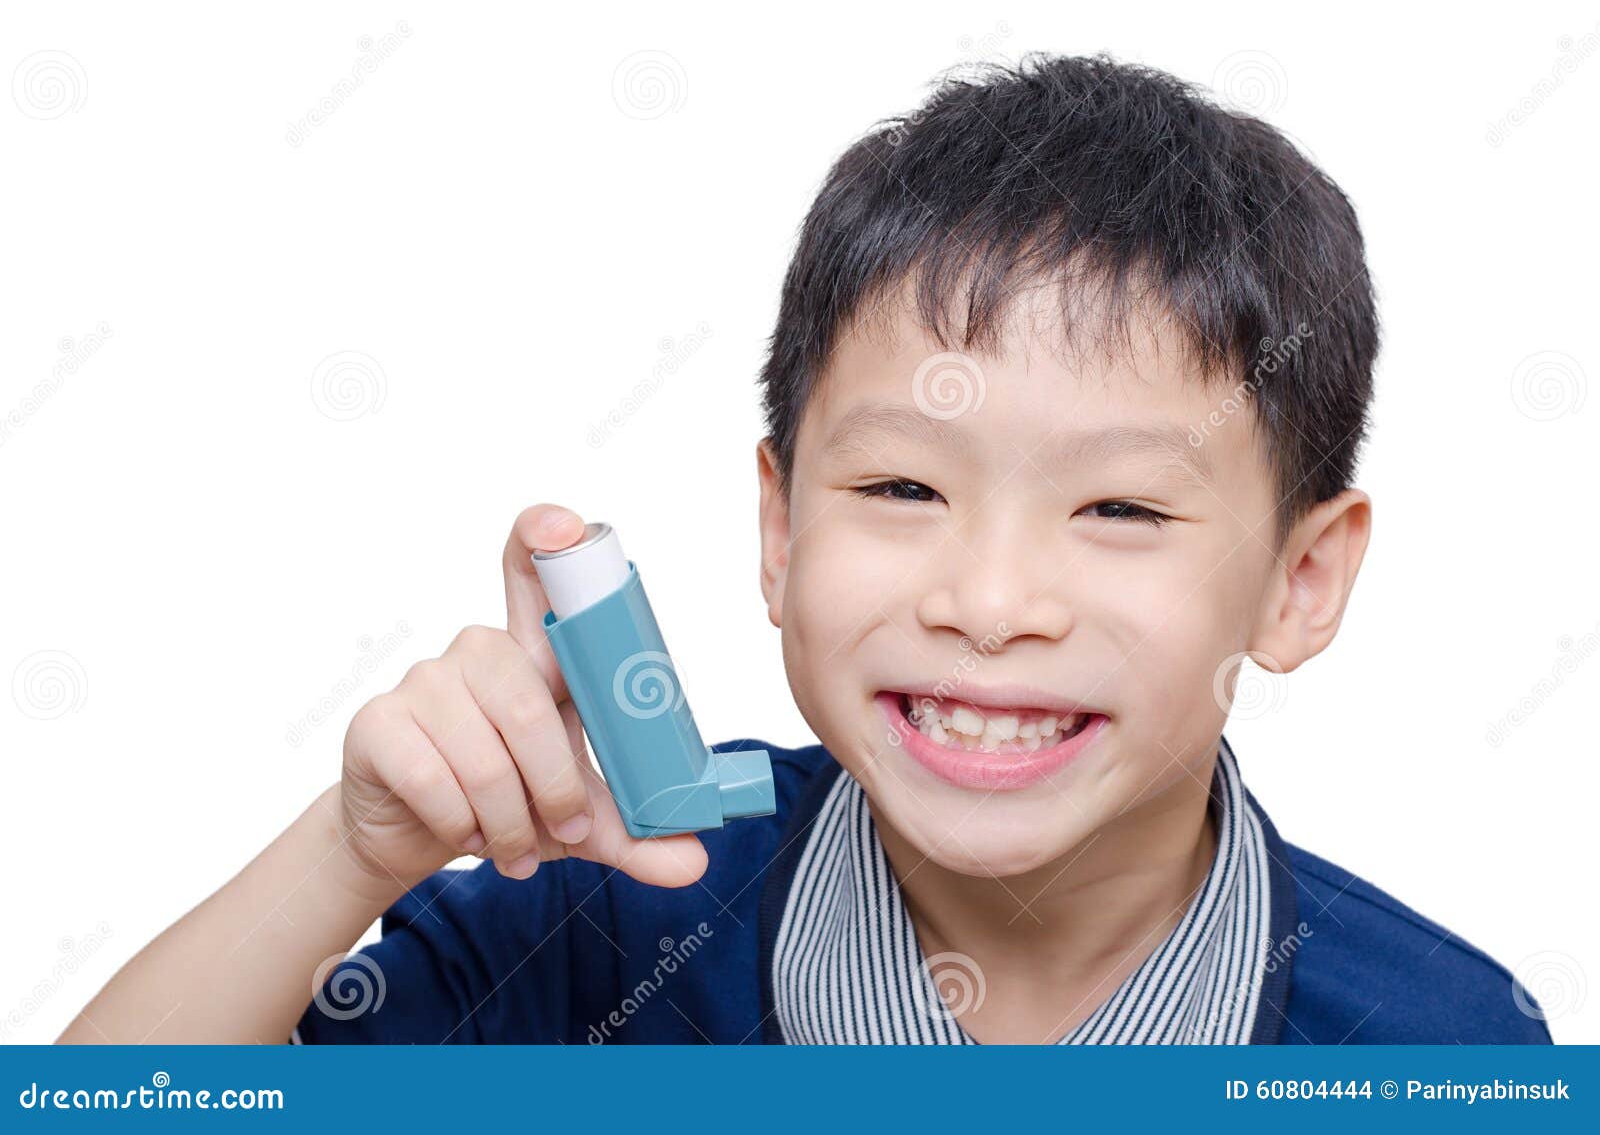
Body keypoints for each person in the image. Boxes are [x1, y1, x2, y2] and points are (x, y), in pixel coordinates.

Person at [61, 53, 1550, 1045]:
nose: (987, 601)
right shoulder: (599, 924)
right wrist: (354, 852)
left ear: (1301, 581)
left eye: (1121, 509)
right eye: (903, 487)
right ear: (776, 530)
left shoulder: (1441, 1040)